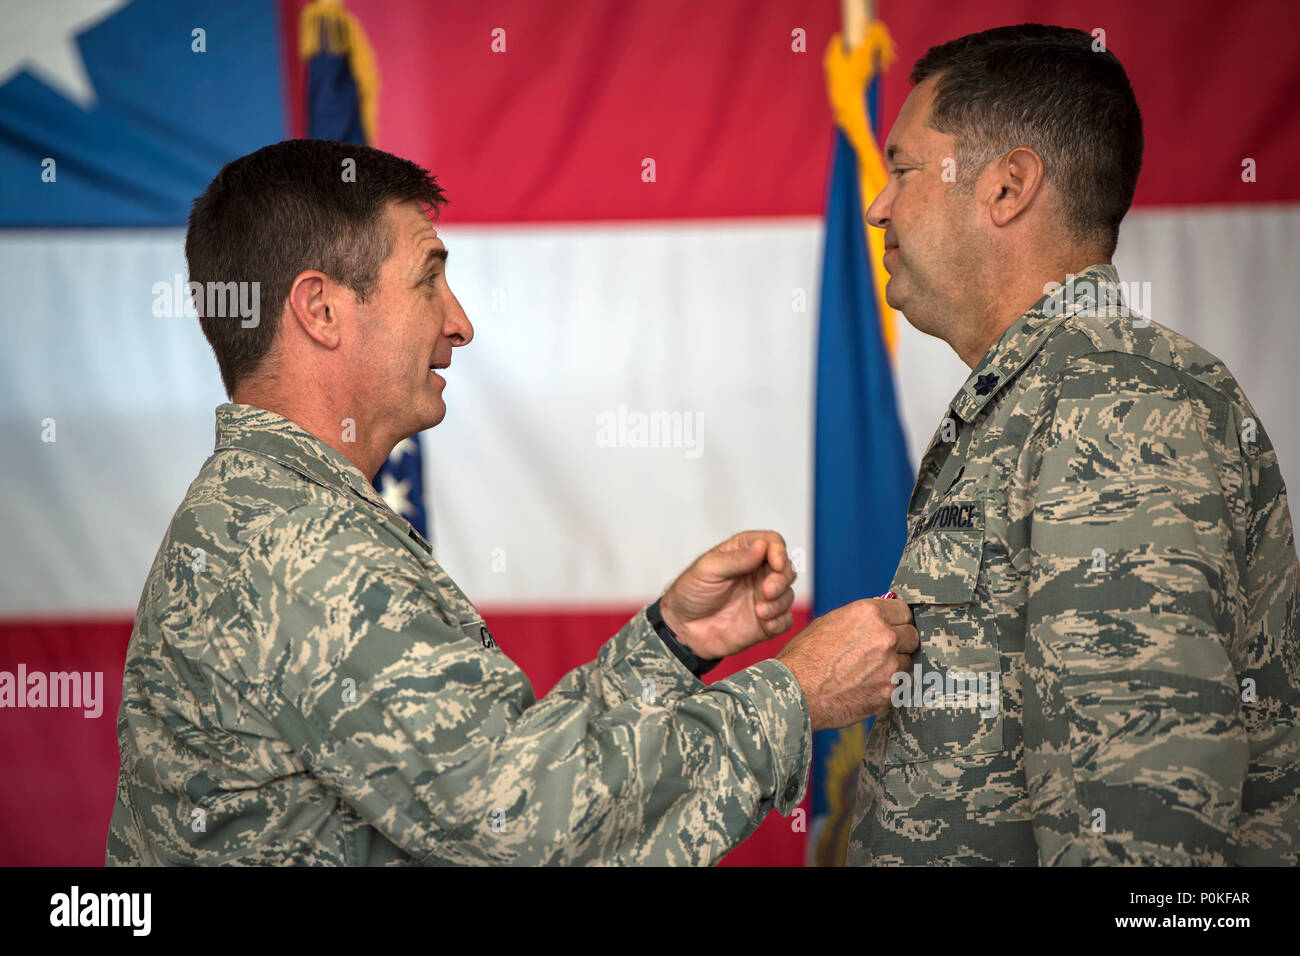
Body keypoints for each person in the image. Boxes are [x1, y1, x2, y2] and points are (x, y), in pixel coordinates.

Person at [106, 139, 919, 866]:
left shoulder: (270, 516)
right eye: (429, 279)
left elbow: (492, 767)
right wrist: (795, 693)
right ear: (321, 311)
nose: (459, 324)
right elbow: (522, 831)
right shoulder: (307, 548)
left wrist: (670, 648)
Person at [846, 24, 1299, 865]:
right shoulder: (1038, 397)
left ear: (1009, 186)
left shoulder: (1117, 408)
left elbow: (1138, 822)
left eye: (903, 168)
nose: (878, 204)